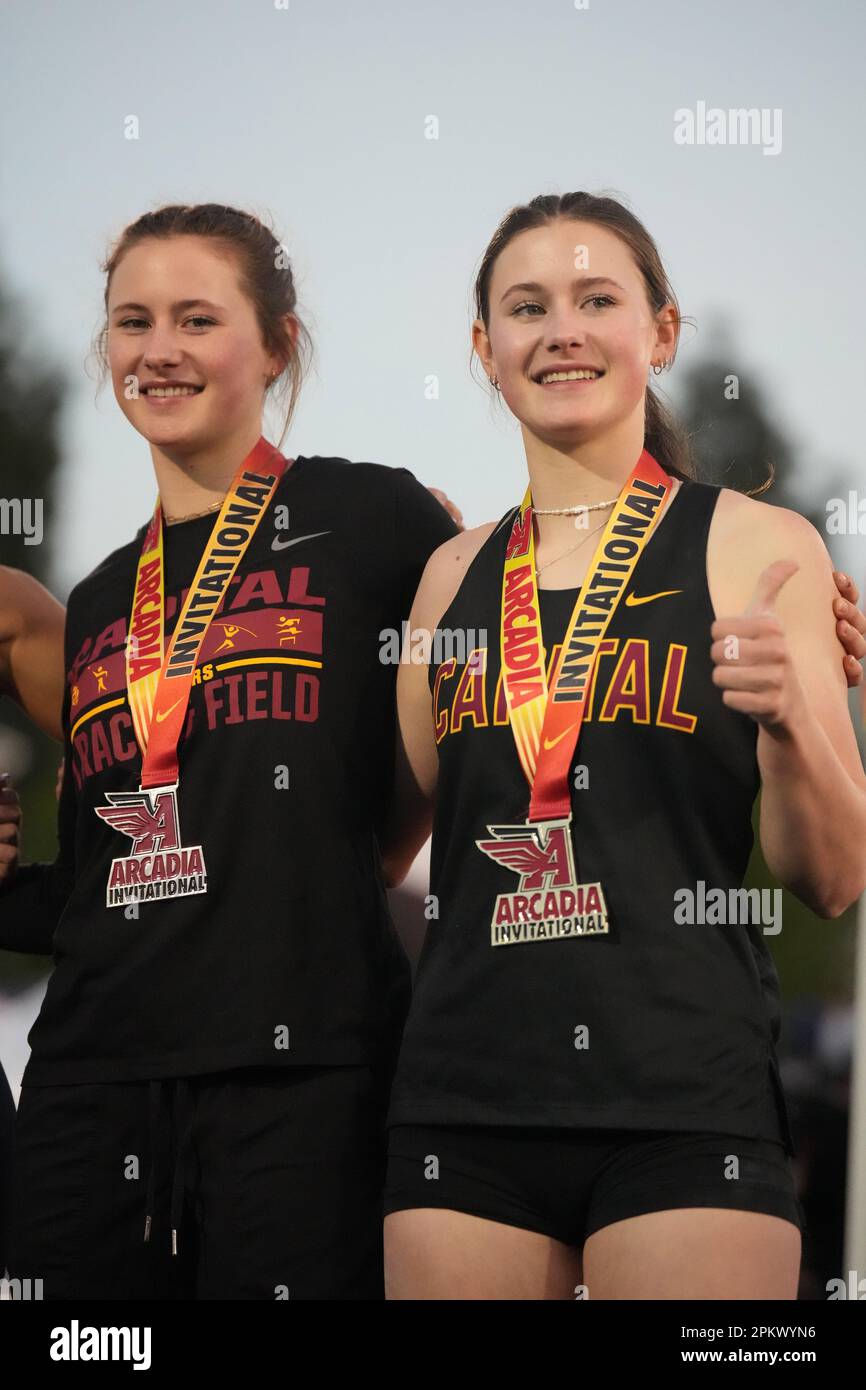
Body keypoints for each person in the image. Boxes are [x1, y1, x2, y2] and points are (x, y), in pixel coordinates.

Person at [381, 191, 866, 1300]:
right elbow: (382, 833)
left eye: (596, 298)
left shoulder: (755, 546)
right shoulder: (448, 577)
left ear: (659, 332)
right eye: (526, 305)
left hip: (684, 1102)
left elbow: (832, 877)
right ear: (483, 349)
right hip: (462, 1100)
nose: (562, 329)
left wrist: (790, 719)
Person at [0, 201, 460, 1299]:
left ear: (275, 345)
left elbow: (536, 643)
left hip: (302, 1077)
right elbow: (97, 882)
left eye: (196, 319)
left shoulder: (374, 515)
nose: (157, 350)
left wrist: (755, 590)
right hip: (89, 1078)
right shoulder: (106, 594)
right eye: (131, 321)